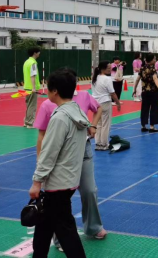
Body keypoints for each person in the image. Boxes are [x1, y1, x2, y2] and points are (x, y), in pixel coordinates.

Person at [34, 77, 107, 246]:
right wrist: (40, 162)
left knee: (89, 190)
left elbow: (98, 108)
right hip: (61, 157)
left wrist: (93, 126)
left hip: (83, 151)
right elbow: (42, 136)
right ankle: (60, 239)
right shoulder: (48, 106)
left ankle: (93, 227)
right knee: (60, 198)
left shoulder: (81, 99)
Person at [29, 69, 90, 258]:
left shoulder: (60, 118)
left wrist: (37, 181)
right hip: (69, 179)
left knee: (65, 229)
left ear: (55, 91)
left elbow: (49, 153)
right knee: (44, 225)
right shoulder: (77, 112)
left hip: (57, 184)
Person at [91, 61, 121, 150]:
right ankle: (104, 144)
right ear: (103, 69)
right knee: (105, 124)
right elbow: (112, 93)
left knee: (98, 124)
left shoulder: (94, 78)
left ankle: (98, 144)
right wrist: (118, 103)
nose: (110, 69)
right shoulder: (107, 79)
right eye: (108, 68)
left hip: (95, 103)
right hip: (105, 102)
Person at [133, 53, 158, 133]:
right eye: (154, 59)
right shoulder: (153, 69)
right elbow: (155, 79)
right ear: (151, 60)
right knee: (154, 108)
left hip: (144, 92)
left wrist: (134, 89)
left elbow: (137, 79)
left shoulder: (142, 68)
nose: (155, 60)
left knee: (144, 108)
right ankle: (152, 126)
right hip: (153, 91)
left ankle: (143, 126)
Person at [23, 46, 41, 128]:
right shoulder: (33, 63)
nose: (39, 53)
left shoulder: (26, 62)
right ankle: (29, 123)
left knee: (29, 105)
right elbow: (32, 75)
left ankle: (26, 122)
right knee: (32, 106)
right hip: (31, 88)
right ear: (35, 53)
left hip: (27, 87)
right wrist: (33, 88)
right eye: (38, 52)